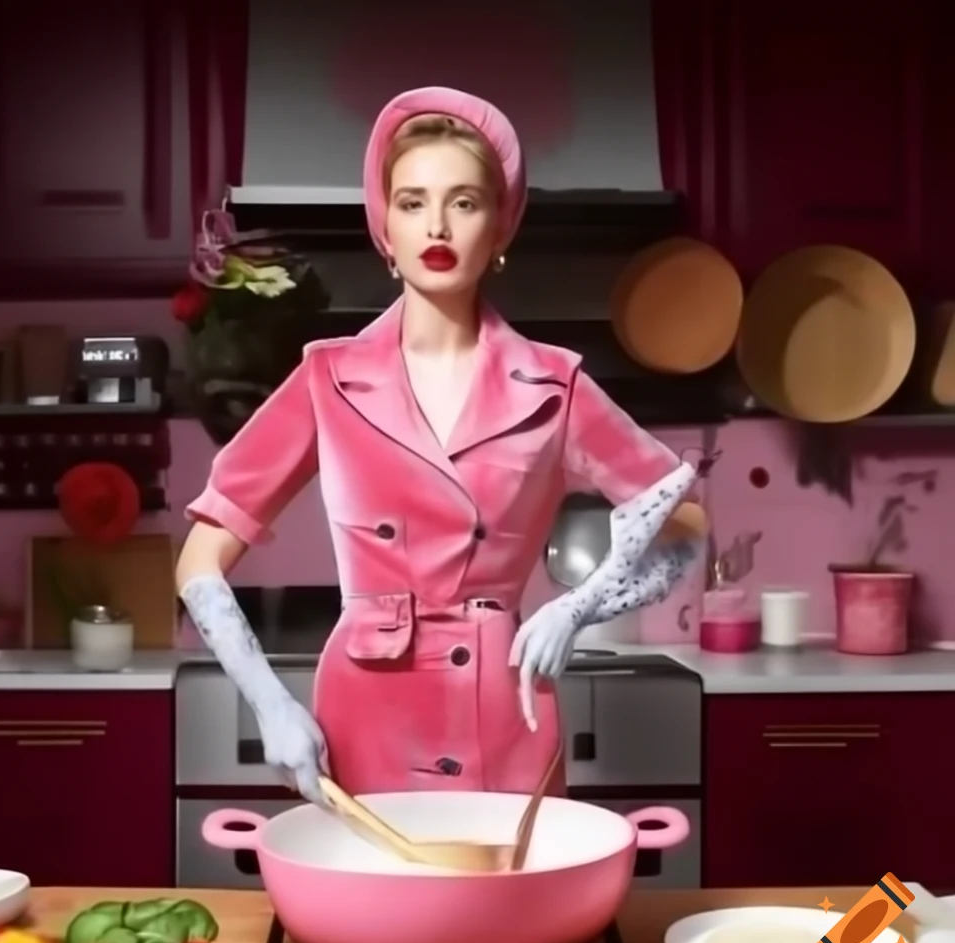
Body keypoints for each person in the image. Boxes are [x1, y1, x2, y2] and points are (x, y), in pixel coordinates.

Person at [176, 87, 707, 806]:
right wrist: (269, 702)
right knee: (368, 916)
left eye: (464, 202)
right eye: (412, 201)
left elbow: (686, 526)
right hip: (363, 712)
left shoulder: (555, 386)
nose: (436, 224)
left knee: (513, 915)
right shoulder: (327, 377)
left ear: (500, 228)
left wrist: (577, 607)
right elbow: (199, 561)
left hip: (503, 708)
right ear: (384, 229)